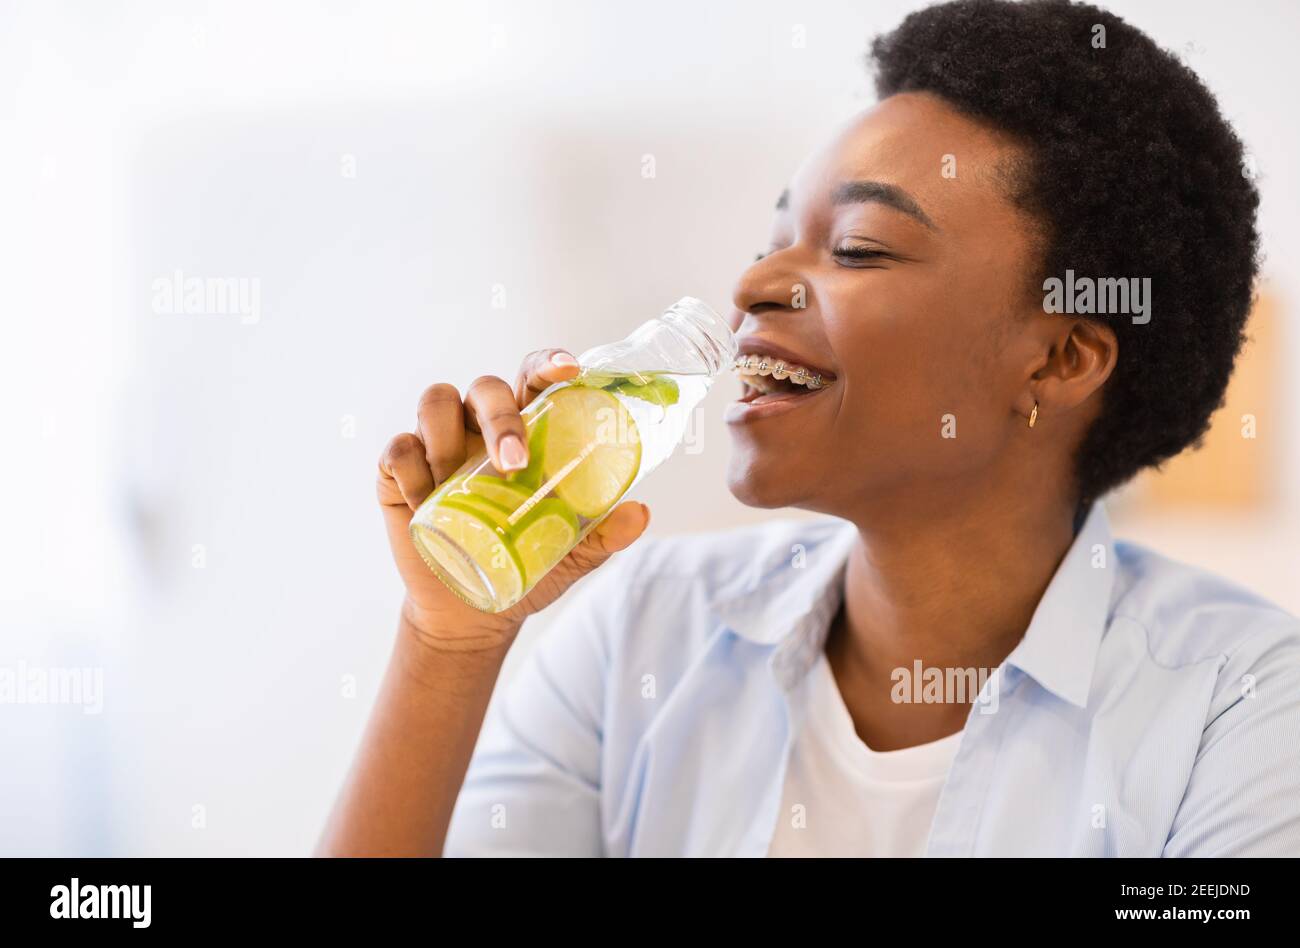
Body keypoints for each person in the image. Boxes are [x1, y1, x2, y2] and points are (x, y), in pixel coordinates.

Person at [318, 0, 1299, 857]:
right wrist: (448, 642)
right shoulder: (643, 633)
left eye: (860, 247)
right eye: (773, 238)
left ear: (1057, 359)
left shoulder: (1241, 709)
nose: (751, 285)